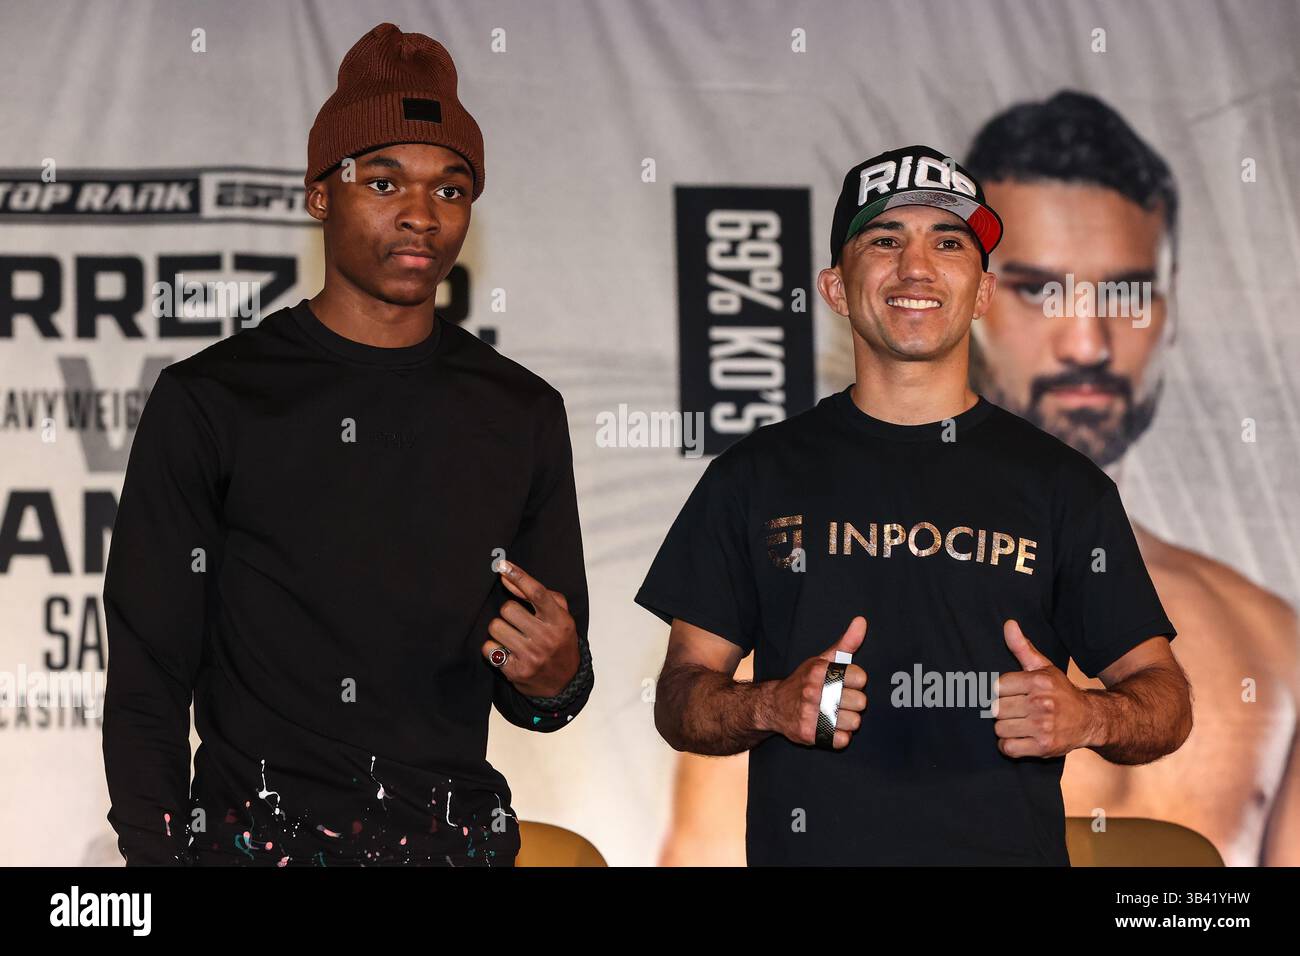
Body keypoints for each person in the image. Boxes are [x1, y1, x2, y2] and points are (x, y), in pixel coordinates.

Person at [102, 22, 593, 867]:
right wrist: (157, 860)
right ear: (321, 194)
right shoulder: (213, 399)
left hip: (459, 843)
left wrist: (556, 679)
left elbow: (546, 693)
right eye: (384, 180)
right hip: (255, 847)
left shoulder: (521, 412)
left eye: (451, 189)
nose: (420, 214)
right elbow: (148, 673)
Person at [636, 144, 1191, 865]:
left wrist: (1087, 715)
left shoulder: (1063, 485)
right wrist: (769, 705)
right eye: (885, 240)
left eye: (949, 242)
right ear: (835, 288)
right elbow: (680, 697)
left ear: (983, 291)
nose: (917, 267)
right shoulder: (754, 475)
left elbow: (1167, 701)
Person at [964, 91, 1300, 866]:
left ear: (1170, 308)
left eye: (1123, 291)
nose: (1088, 341)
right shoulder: (832, 618)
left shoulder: (1271, 641)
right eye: (1040, 289)